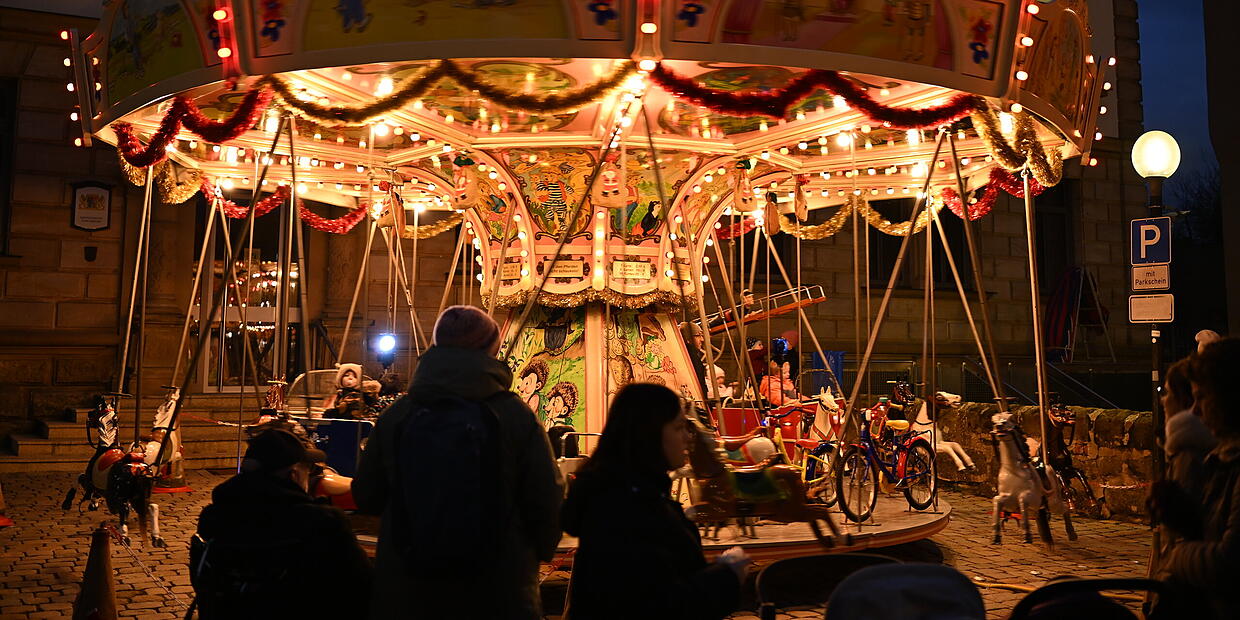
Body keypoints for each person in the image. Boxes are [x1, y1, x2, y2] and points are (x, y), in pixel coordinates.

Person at [352, 305, 564, 619]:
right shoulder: (514, 414)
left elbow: (367, 494)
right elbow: (546, 495)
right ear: (490, 348)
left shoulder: (399, 414)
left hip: (409, 585)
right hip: (496, 585)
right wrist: (537, 552)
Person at [561, 383, 748, 619]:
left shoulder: (633, 493)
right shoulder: (627, 507)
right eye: (679, 427)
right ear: (650, 432)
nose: (687, 437)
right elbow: (658, 602)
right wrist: (726, 576)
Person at [190, 429, 372, 619]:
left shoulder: (213, 517)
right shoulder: (322, 522)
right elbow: (361, 588)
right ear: (294, 474)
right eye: (308, 469)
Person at [1153, 338, 1240, 619]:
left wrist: (1176, 555)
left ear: (1227, 396)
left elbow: (1229, 564)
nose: (1197, 411)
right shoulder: (1222, 459)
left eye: (1202, 397)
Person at [1161, 358, 1215, 496]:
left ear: (1183, 400)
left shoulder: (1188, 457)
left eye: (1168, 393)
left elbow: (1184, 514)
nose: (1163, 400)